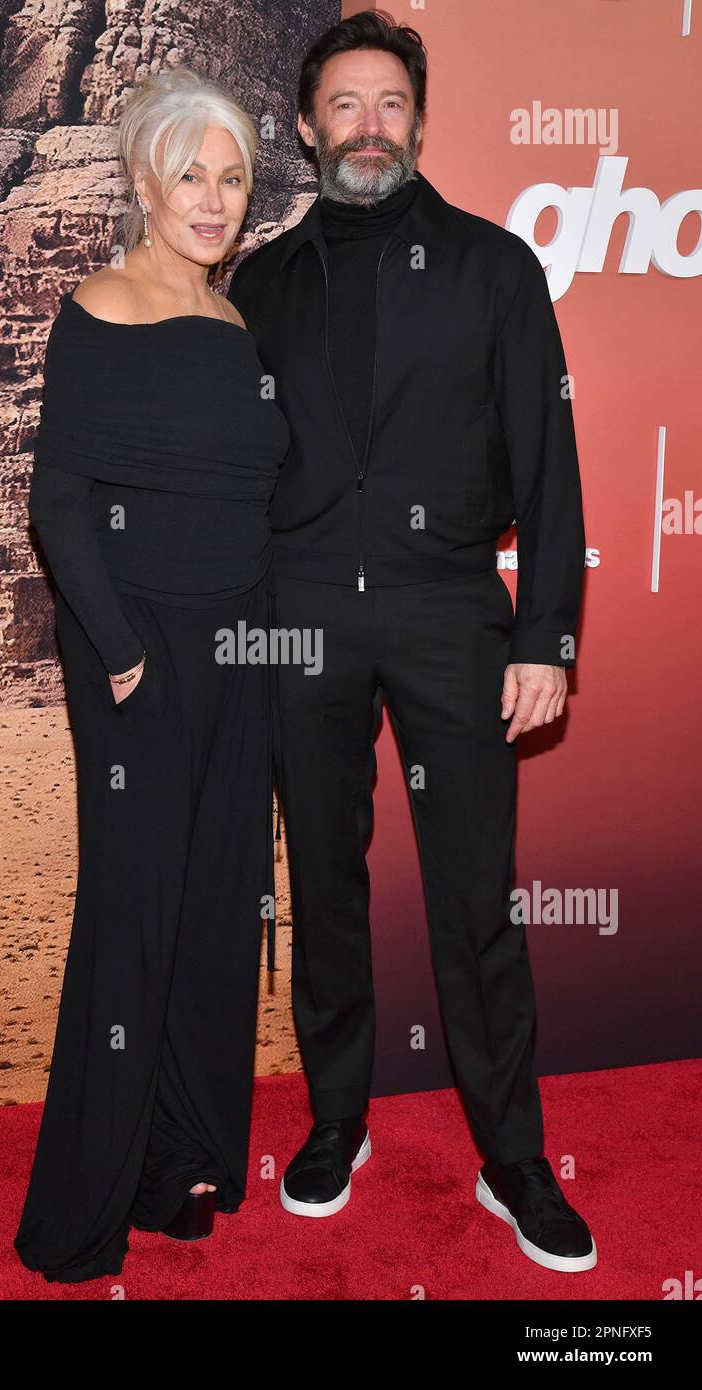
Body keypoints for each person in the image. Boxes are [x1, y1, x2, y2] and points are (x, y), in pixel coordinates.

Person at [227, 10, 596, 1273]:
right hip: (300, 613)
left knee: (474, 898)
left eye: (390, 103)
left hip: (450, 611)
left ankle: (511, 1157)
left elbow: (548, 466)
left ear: (419, 123)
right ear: (307, 125)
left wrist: (545, 632)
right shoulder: (260, 282)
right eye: (344, 104)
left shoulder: (498, 269)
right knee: (322, 881)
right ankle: (337, 1121)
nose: (368, 125)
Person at [13, 65, 289, 1283]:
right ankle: (84, 1203)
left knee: (219, 910)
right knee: (133, 919)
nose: (214, 199)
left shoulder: (238, 324)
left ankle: (179, 1154)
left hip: (239, 648)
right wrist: (121, 656)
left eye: (231, 179)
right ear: (142, 181)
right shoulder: (97, 305)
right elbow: (60, 508)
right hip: (142, 656)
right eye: (192, 174)